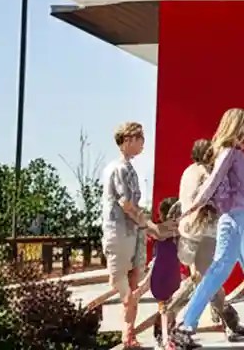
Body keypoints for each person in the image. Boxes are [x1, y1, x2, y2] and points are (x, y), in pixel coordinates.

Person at [170, 109, 244, 349]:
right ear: (236, 126)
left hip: (238, 217)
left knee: (227, 271)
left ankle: (185, 326)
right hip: (239, 217)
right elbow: (212, 183)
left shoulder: (231, 152)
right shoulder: (230, 151)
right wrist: (191, 208)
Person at [100, 121, 159, 349]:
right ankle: (128, 331)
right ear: (128, 140)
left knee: (134, 283)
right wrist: (146, 222)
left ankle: (129, 335)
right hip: (119, 231)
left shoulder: (129, 168)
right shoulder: (119, 169)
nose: (143, 143)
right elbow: (125, 203)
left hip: (132, 232)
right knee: (121, 282)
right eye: (140, 138)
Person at [149, 197, 183, 347]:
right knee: (166, 308)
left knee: (170, 308)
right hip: (163, 275)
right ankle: (165, 338)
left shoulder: (169, 232)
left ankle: (167, 336)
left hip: (170, 274)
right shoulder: (163, 232)